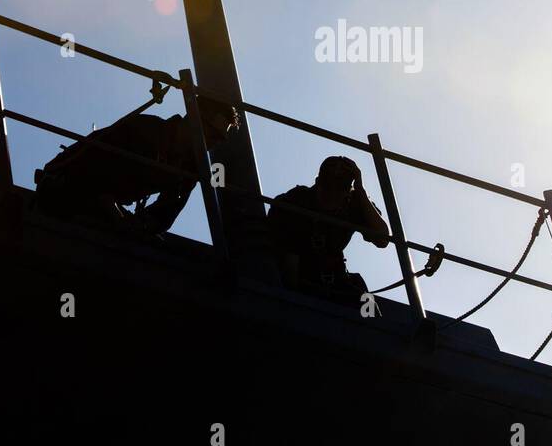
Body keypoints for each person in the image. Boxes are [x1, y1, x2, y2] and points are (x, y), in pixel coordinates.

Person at [33, 98, 238, 237]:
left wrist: (141, 224)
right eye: (213, 134)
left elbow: (166, 212)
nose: (213, 143)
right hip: (65, 182)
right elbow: (90, 166)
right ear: (195, 119)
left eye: (219, 140)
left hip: (102, 203)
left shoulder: (190, 166)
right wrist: (113, 211)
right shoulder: (145, 130)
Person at [265, 156, 391, 302]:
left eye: (339, 189)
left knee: (368, 306)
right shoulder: (295, 201)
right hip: (299, 280)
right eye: (327, 187)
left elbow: (382, 239)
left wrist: (361, 192)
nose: (332, 195)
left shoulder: (352, 204)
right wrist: (291, 298)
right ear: (318, 182)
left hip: (335, 281)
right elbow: (287, 257)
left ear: (347, 192)